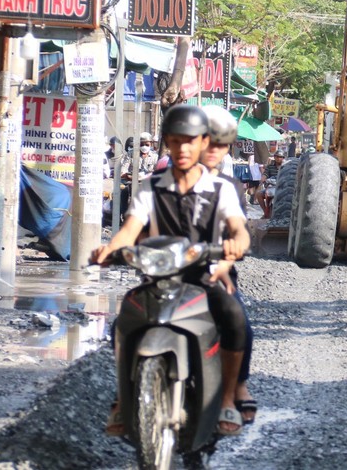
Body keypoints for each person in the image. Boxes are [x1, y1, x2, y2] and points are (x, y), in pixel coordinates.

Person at [90, 105, 252, 437]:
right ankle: (122, 400)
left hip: (203, 279)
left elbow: (239, 228)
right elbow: (129, 230)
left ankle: (226, 399)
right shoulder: (150, 188)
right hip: (158, 278)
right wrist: (109, 250)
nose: (183, 149)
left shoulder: (221, 189)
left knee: (235, 317)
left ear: (203, 142)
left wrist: (236, 243)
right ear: (166, 142)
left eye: (190, 141)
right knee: (123, 323)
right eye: (176, 141)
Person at [201, 106, 257, 425]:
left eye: (220, 144)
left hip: (216, 275)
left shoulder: (230, 188)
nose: (212, 150)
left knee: (240, 324)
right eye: (205, 140)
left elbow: (239, 230)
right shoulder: (162, 182)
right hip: (170, 273)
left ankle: (237, 384)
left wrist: (229, 256)